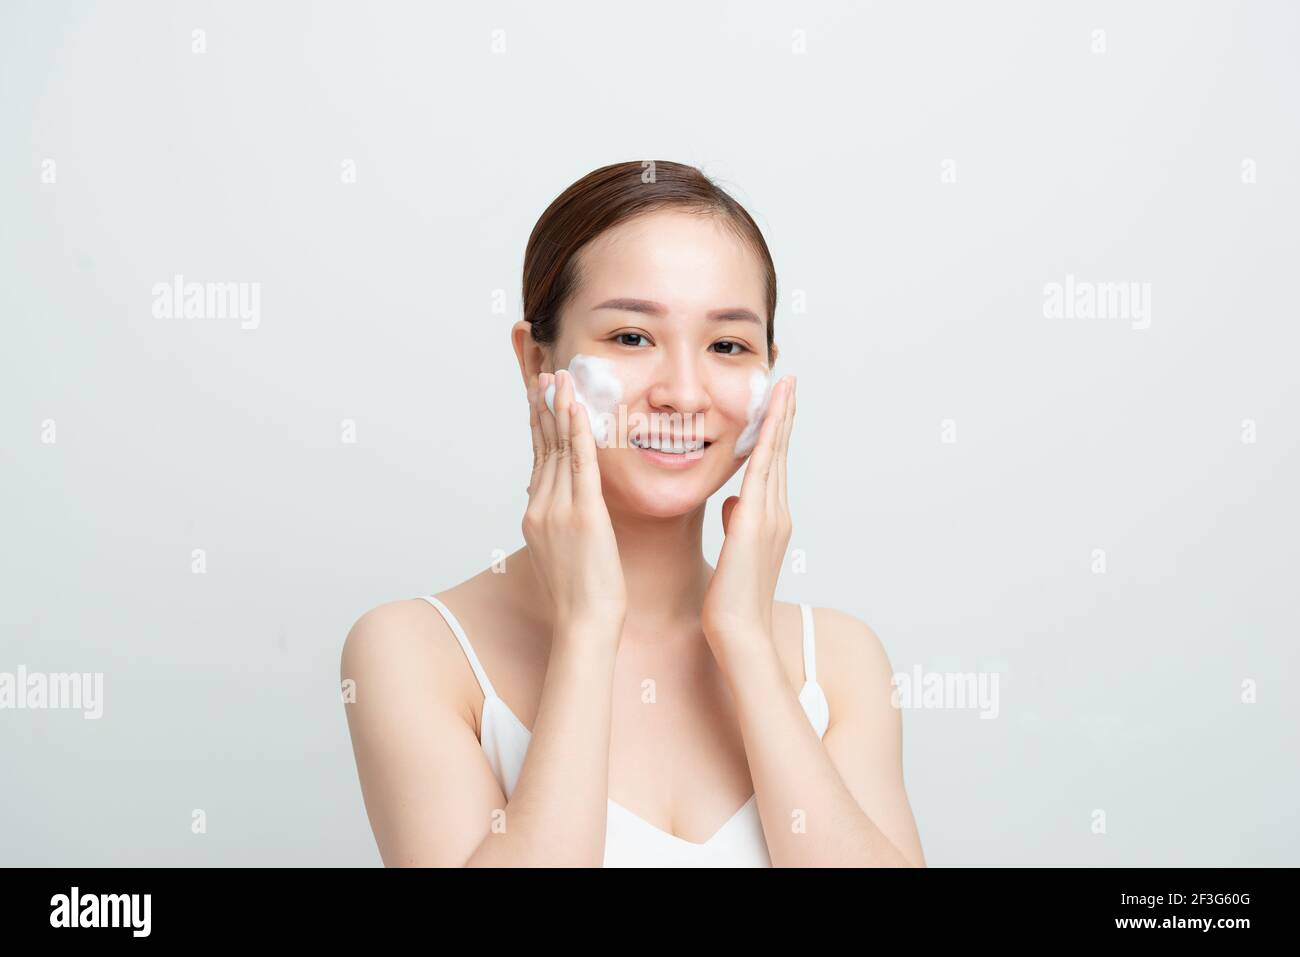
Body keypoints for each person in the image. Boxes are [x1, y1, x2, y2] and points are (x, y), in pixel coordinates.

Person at [341, 160, 925, 867]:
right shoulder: (414, 653)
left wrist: (743, 637)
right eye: (631, 337)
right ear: (535, 361)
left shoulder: (836, 661)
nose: (683, 392)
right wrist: (588, 631)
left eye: (727, 345)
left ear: (770, 370)